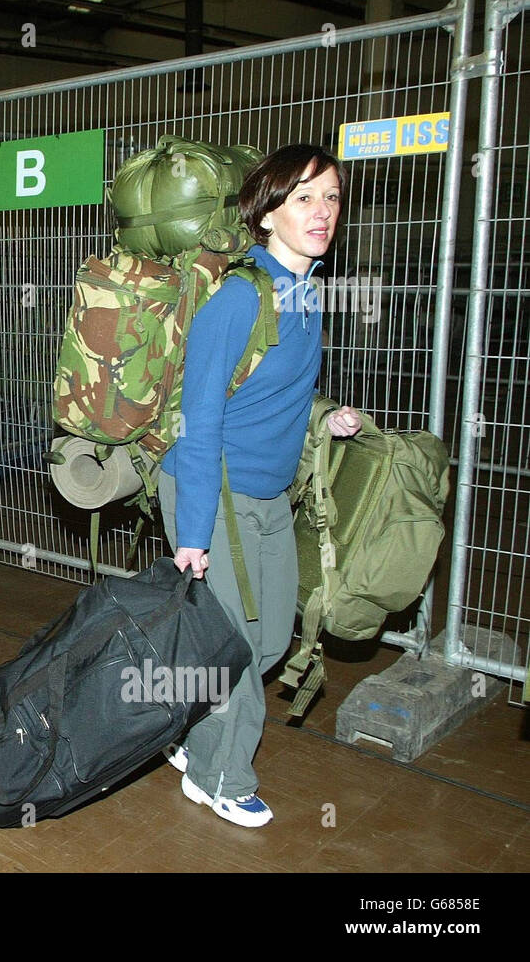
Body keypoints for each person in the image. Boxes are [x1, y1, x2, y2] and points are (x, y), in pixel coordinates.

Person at [158, 144, 363, 828]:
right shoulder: (241, 297)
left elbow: (274, 391)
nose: (322, 211)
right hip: (210, 487)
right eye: (304, 197)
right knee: (241, 647)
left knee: (270, 639)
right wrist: (192, 534)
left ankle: (192, 735)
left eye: (331, 197)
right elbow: (201, 417)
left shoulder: (304, 296)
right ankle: (223, 776)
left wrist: (321, 414)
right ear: (267, 211)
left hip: (268, 493)